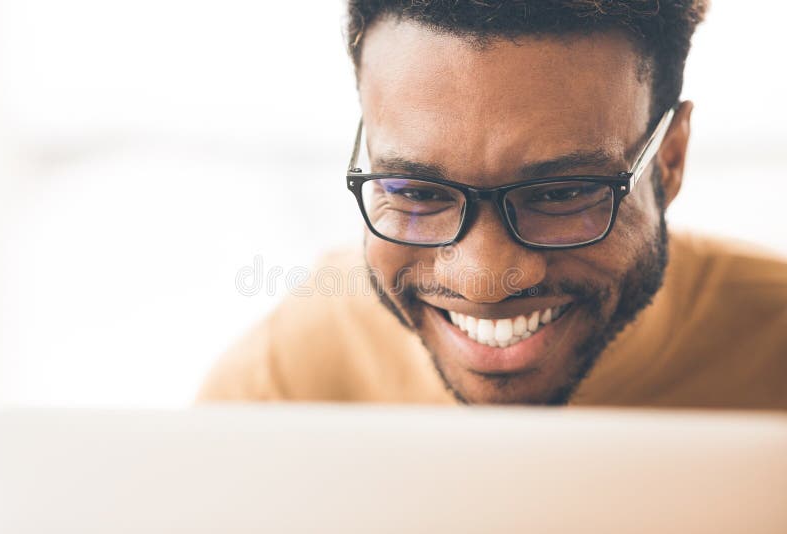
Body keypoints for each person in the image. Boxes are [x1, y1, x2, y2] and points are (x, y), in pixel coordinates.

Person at [198, 0, 787, 408]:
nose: (483, 281)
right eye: (419, 193)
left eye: (559, 194)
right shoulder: (294, 373)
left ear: (671, 160)